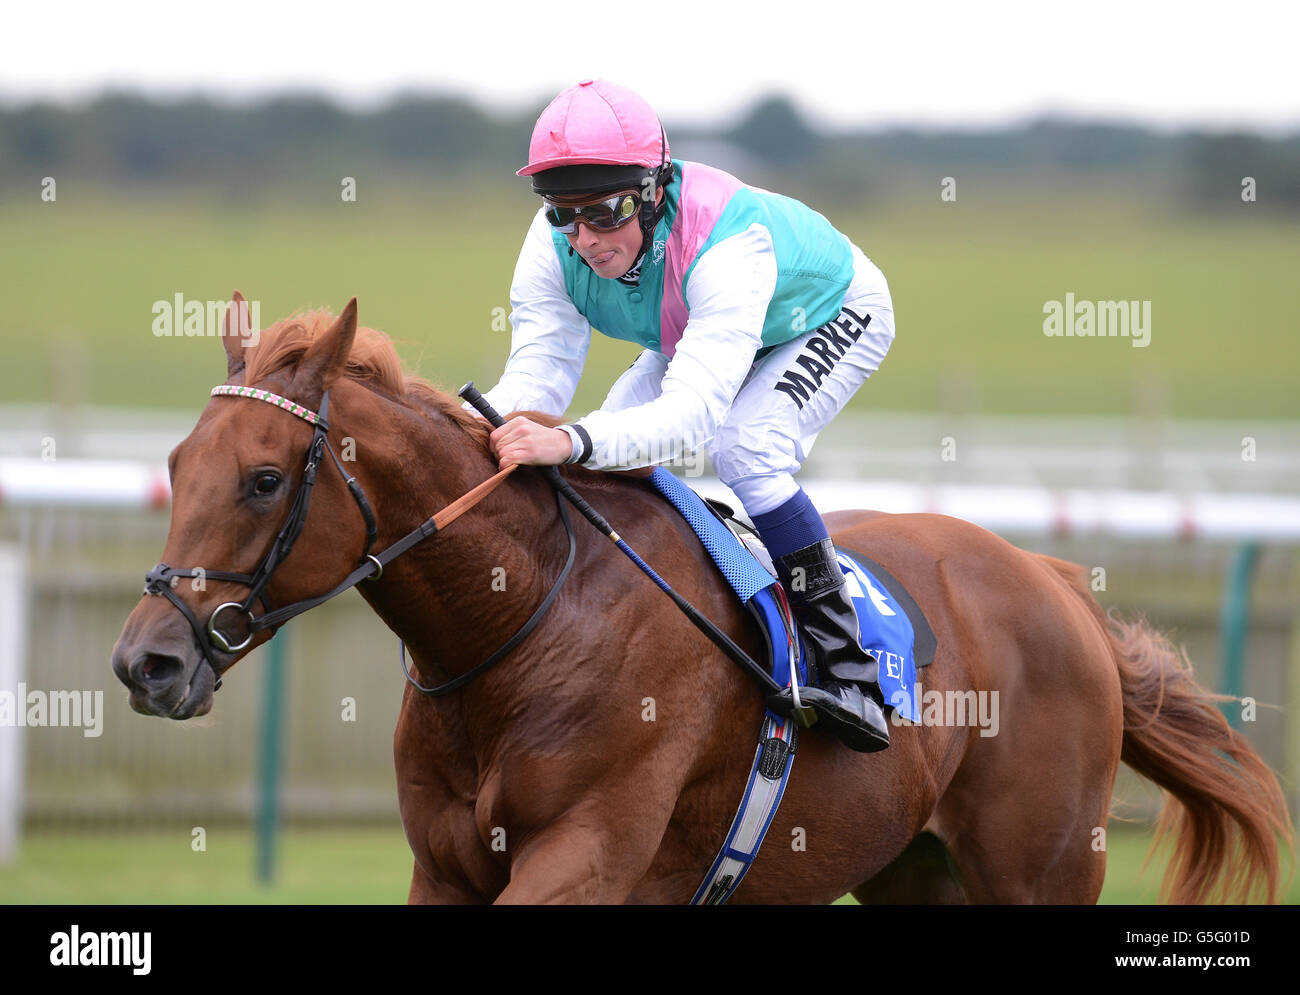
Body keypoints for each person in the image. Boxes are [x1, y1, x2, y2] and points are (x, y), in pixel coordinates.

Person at [478, 79, 896, 753]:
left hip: (830, 313)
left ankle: (848, 668)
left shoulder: (727, 243)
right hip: (698, 329)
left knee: (746, 447)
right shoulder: (552, 239)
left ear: (650, 191)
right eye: (564, 214)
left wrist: (569, 439)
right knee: (607, 451)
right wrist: (468, 430)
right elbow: (541, 372)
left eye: (607, 211)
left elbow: (693, 418)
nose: (584, 237)